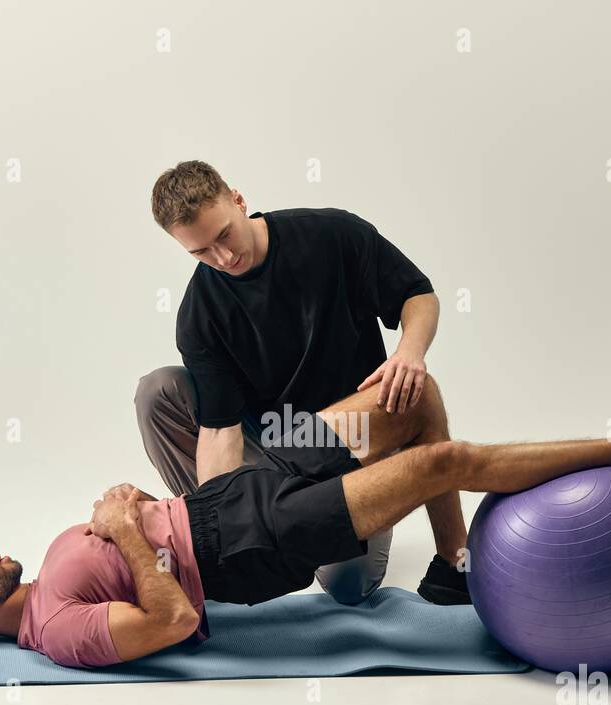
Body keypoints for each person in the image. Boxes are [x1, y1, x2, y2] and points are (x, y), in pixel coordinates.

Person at [0, 366, 611, 670]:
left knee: (404, 404)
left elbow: (143, 544)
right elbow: (174, 619)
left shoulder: (49, 580)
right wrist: (124, 530)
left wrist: (139, 510)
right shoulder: (55, 630)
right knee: (444, 463)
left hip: (229, 499)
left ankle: (453, 570)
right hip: (251, 545)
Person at [138, 159, 469, 606]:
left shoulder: (331, 235)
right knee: (158, 390)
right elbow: (220, 430)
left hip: (352, 436)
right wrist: (227, 529)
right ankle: (229, 544)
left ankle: (455, 559)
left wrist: (409, 353)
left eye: (224, 235)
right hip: (274, 449)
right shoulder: (200, 312)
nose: (223, 258)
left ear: (238, 200)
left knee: (350, 586)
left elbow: (417, 294)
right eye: (201, 253)